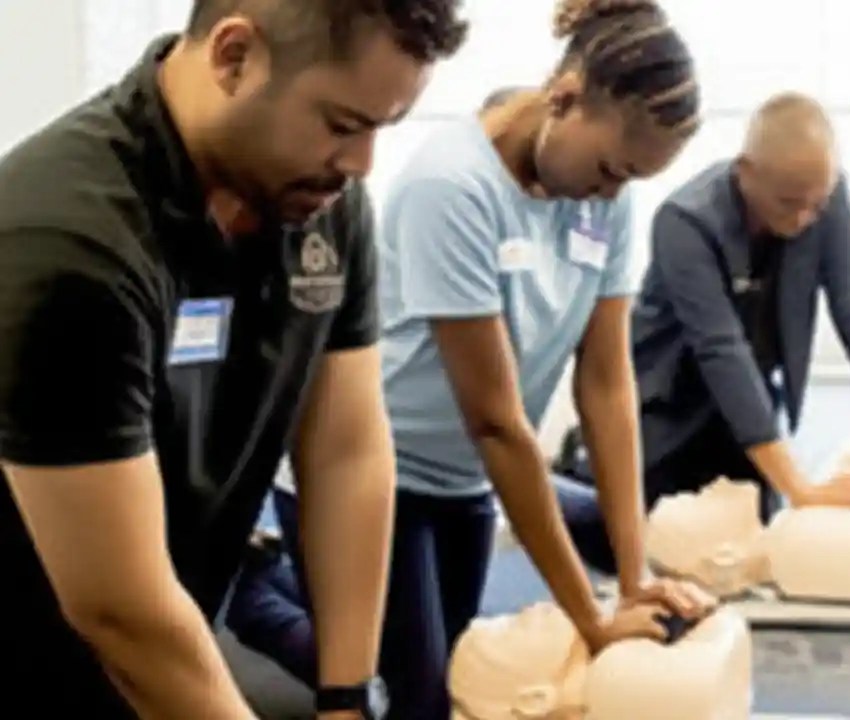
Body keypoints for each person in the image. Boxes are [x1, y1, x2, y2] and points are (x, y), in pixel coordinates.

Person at [229, 2, 714, 718]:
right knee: (408, 702)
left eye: (632, 180)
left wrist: (633, 576)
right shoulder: (453, 186)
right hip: (372, 467)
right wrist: (591, 618)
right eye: (611, 168)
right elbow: (495, 420)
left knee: (449, 678)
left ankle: (305, 608)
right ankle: (254, 596)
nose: (612, 193)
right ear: (565, 97)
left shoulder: (605, 199)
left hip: (465, 481)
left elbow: (607, 385)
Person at [0, 0, 467, 717]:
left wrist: (348, 696)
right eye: (343, 125)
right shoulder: (67, 240)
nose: (361, 164)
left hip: (176, 620)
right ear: (234, 56)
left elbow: (344, 450)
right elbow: (119, 612)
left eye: (382, 128)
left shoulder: (321, 205)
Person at [554, 92, 850, 574]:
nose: (803, 219)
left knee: (750, 543)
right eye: (789, 204)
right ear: (746, 172)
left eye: (815, 205)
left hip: (746, 411)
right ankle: (569, 475)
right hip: (666, 407)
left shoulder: (824, 197)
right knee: (638, 540)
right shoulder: (684, 221)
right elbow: (722, 353)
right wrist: (801, 489)